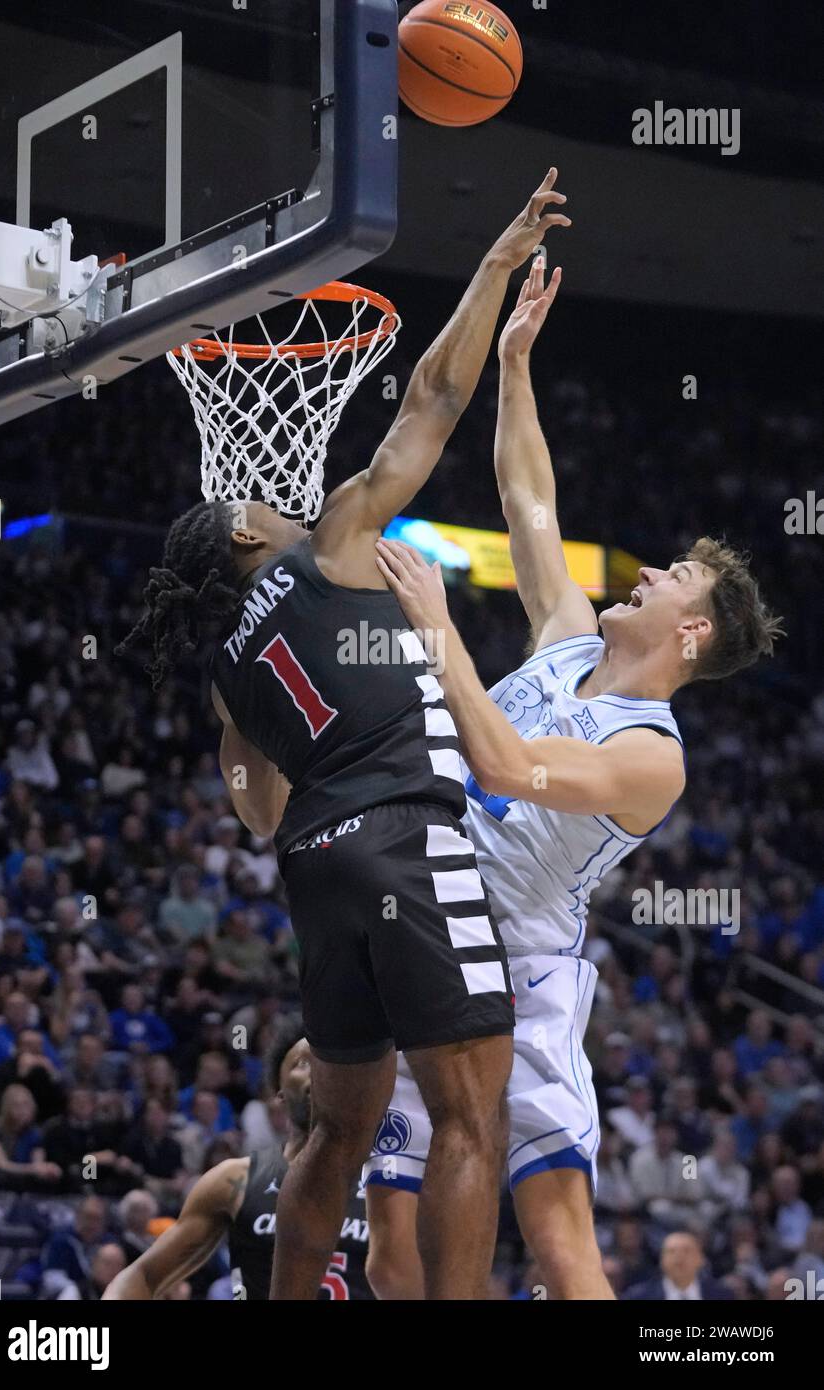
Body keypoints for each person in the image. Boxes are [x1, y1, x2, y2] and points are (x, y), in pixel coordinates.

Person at [118, 172, 571, 1301]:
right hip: (407, 838)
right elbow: (430, 397)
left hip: (316, 864)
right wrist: (493, 264)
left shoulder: (228, 671)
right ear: (241, 530)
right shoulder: (326, 542)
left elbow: (253, 798)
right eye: (258, 503)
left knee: (335, 1133)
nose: (277, 495)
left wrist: (306, 823)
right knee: (467, 1111)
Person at [368, 257, 782, 1300]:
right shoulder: (561, 637)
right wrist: (513, 361)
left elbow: (505, 764)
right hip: (427, 922)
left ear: (689, 631)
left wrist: (436, 632)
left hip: (520, 973)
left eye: (667, 578)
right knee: (387, 1245)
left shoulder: (652, 756)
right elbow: (526, 499)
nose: (642, 573)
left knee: (558, 1249)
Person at [103, 1017, 373, 1301]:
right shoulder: (234, 1180)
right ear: (277, 1090)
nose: (319, 1073)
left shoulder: (389, 1184)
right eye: (303, 1063)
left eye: (330, 1063)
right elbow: (142, 1276)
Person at [622, 1230, 734, 1301]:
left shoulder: (723, 1295)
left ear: (701, 1260)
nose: (679, 1257)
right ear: (661, 1260)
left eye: (687, 1251)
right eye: (671, 1251)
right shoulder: (637, 1297)